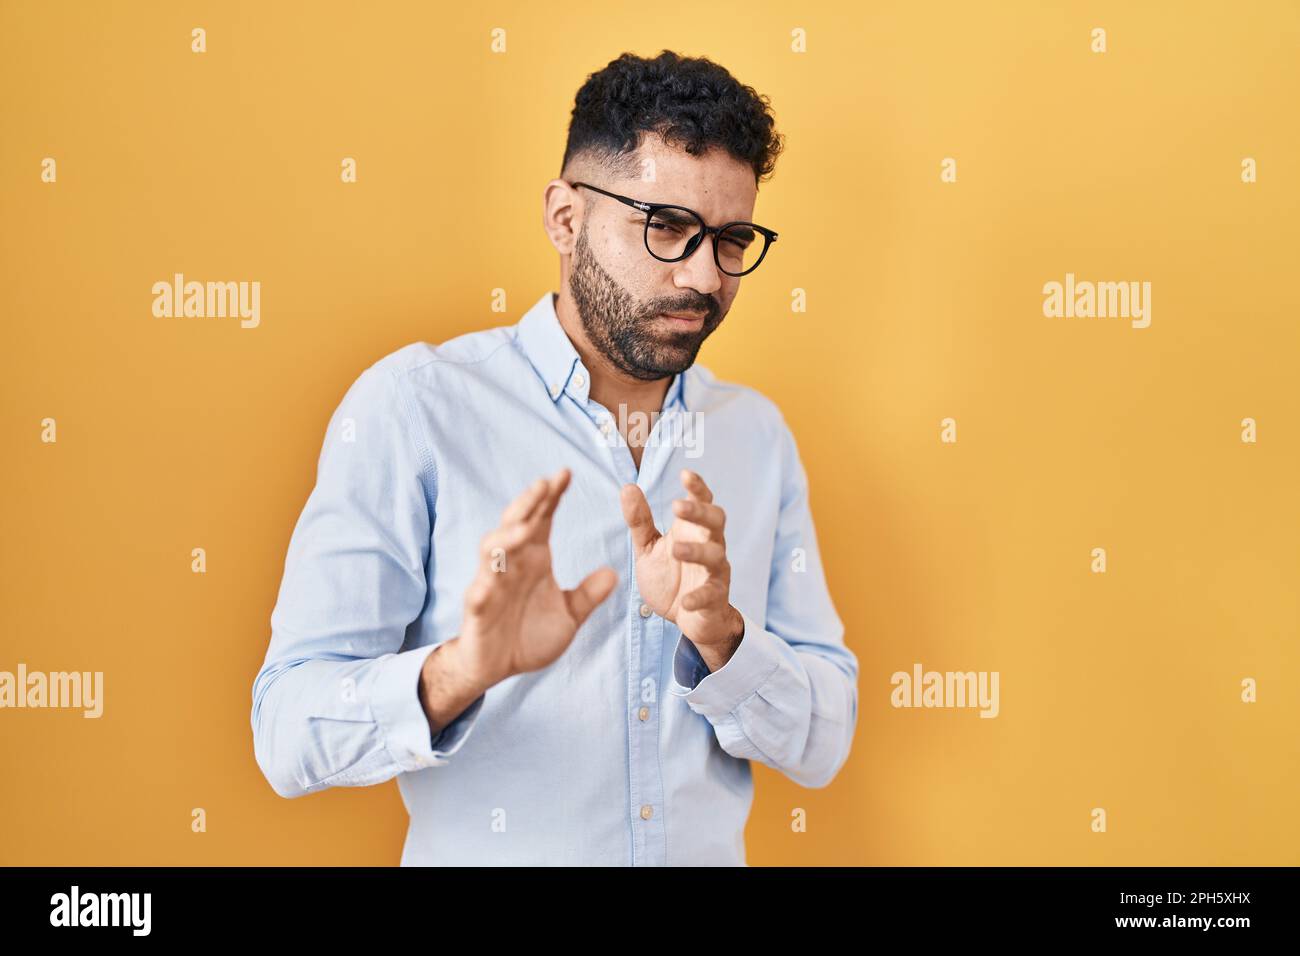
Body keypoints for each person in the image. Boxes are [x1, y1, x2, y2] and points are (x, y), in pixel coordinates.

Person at [251, 49, 858, 865]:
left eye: (732, 239)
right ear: (565, 218)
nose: (705, 276)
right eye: (668, 228)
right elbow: (286, 732)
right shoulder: (416, 408)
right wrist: (461, 671)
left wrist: (723, 639)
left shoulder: (755, 435)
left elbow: (825, 739)